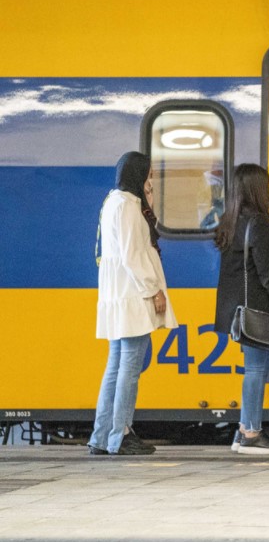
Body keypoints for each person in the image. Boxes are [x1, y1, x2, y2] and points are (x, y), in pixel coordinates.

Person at [90, 151, 177, 456]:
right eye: (149, 175)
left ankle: (102, 436)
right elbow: (132, 254)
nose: (151, 181)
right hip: (134, 295)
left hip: (120, 295)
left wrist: (148, 200)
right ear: (137, 174)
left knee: (116, 366)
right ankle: (122, 434)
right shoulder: (128, 205)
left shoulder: (114, 201)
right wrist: (153, 289)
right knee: (130, 367)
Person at [214, 164, 269, 455]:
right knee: (255, 370)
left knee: (254, 369)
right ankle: (250, 432)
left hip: (238, 309)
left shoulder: (230, 222)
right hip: (257, 310)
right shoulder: (258, 224)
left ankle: (242, 431)